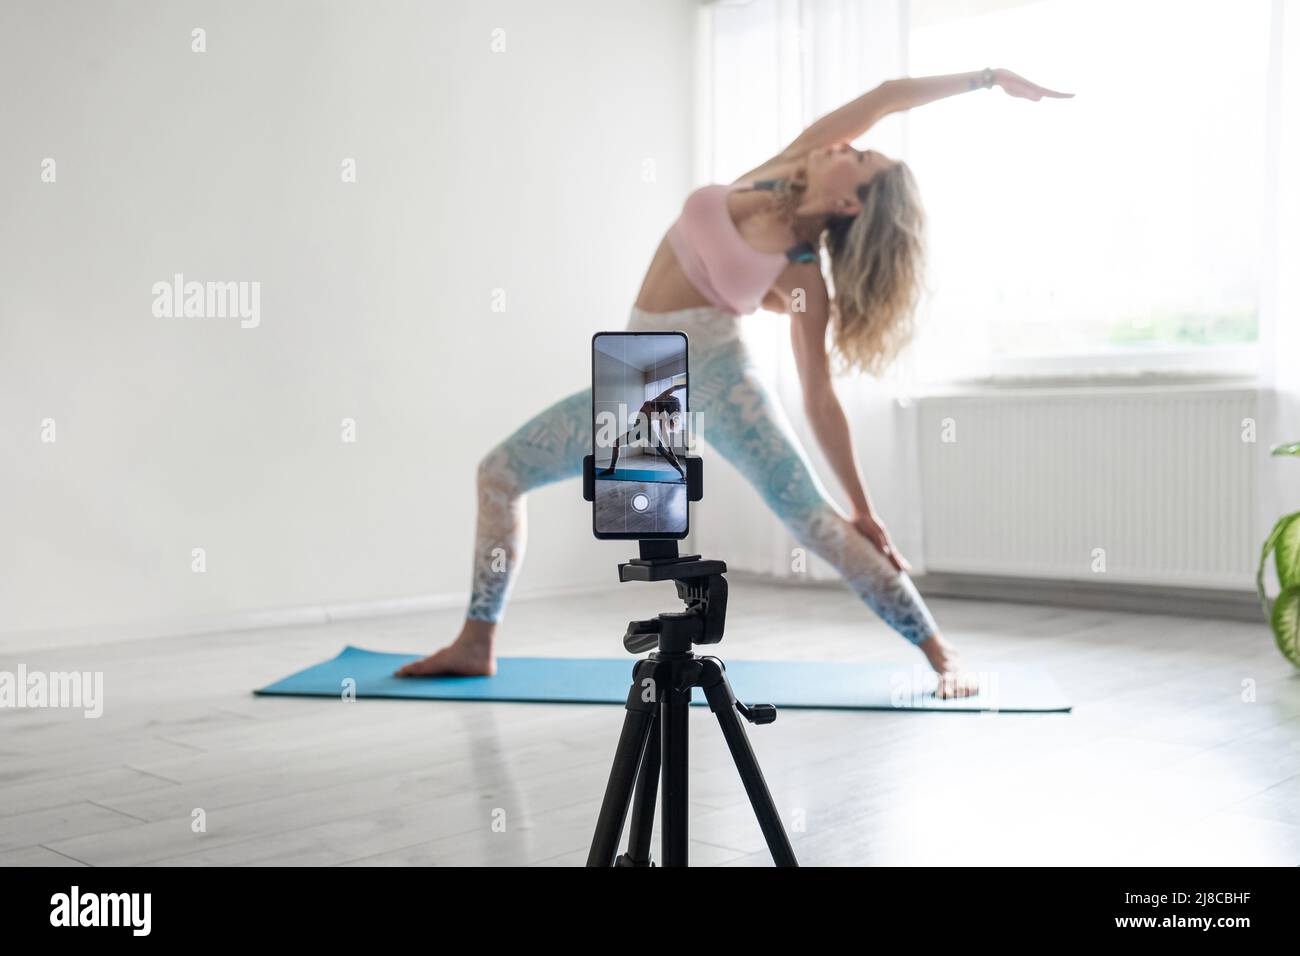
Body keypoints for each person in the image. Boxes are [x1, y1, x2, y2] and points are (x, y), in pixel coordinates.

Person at [398, 68, 1072, 697]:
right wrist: (987, 79)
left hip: (714, 375)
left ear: (847, 200)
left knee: (815, 520)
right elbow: (889, 93)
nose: (848, 144)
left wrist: (862, 504)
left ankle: (941, 654)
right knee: (500, 472)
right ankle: (477, 641)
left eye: (860, 159)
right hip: (639, 377)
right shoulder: (790, 163)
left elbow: (818, 392)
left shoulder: (803, 274)